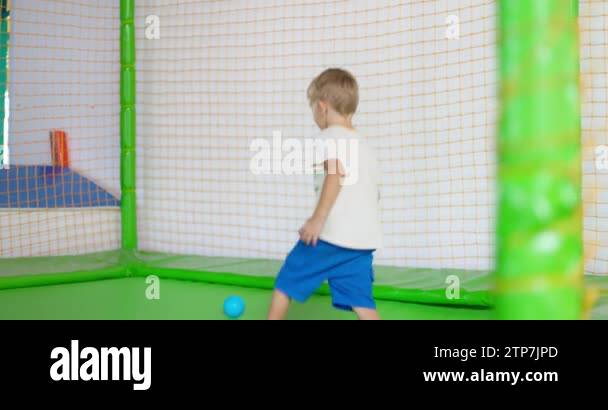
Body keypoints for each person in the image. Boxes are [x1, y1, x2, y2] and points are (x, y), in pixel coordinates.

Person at [267, 68, 383, 320]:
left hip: (332, 236)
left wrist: (317, 219)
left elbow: (335, 175)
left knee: (287, 279)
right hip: (363, 240)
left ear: (322, 107)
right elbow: (373, 193)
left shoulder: (328, 136)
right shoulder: (365, 146)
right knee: (362, 302)